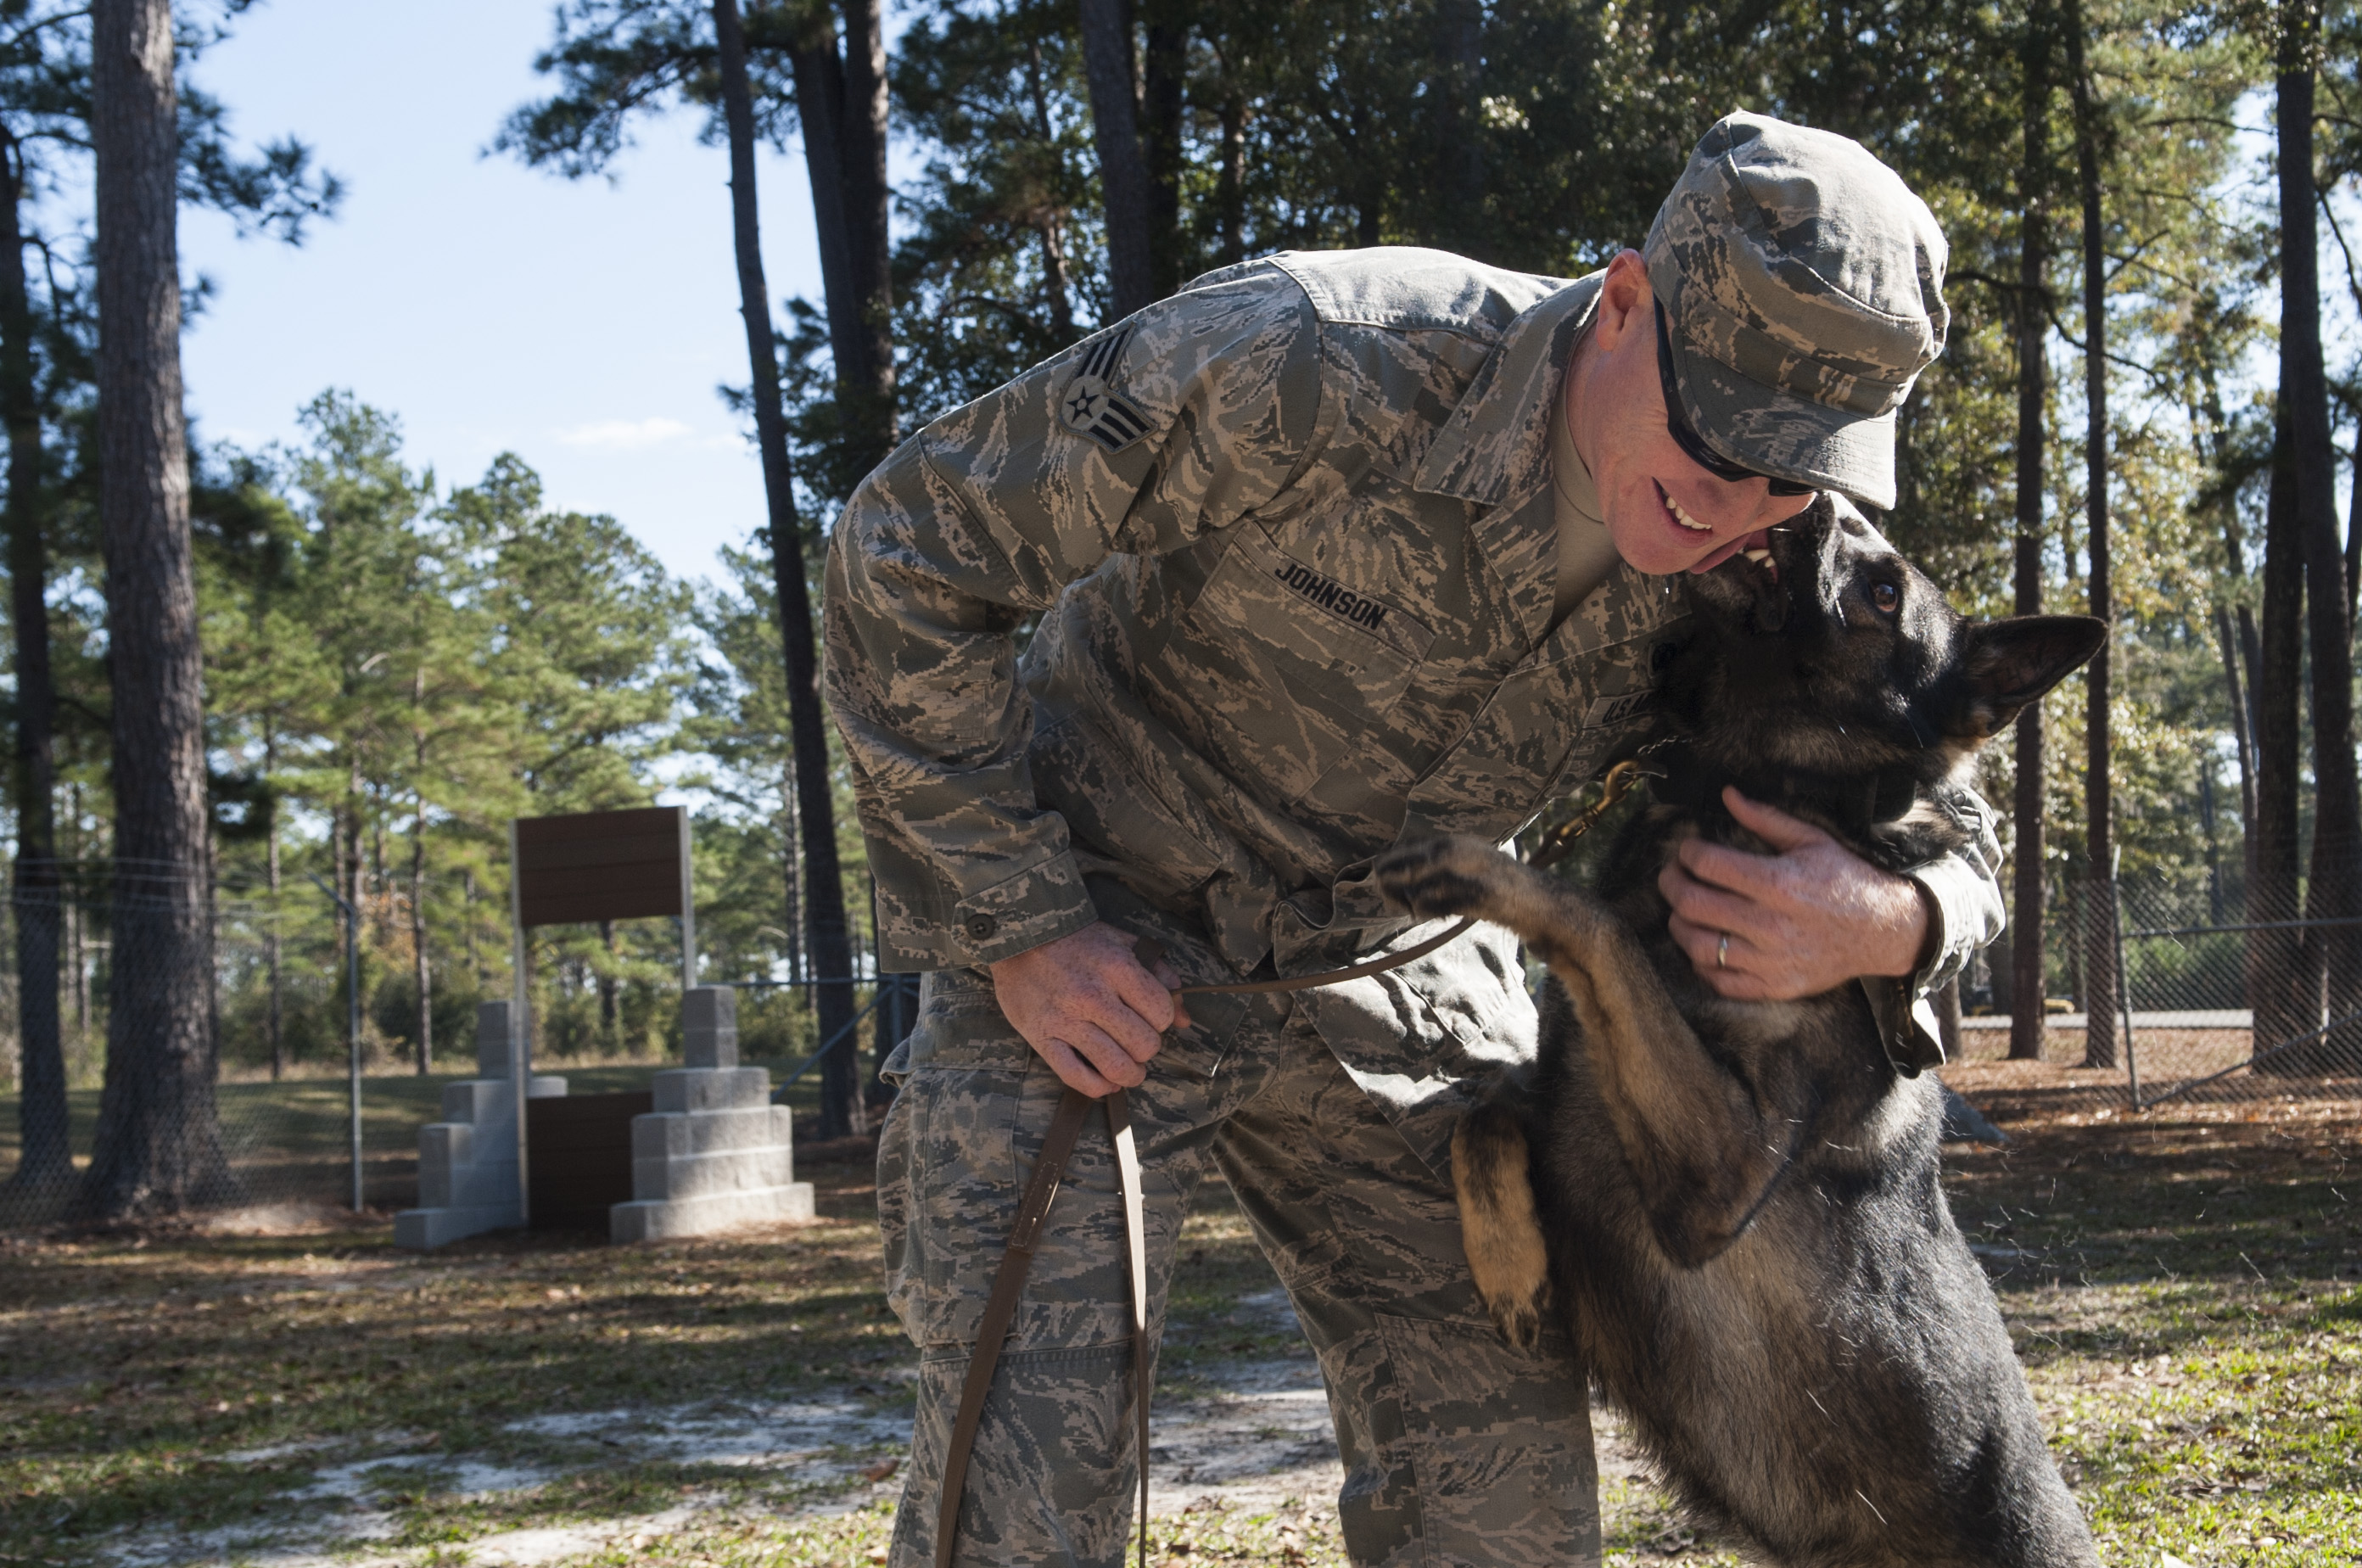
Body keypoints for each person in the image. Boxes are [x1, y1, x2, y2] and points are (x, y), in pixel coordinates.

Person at [823, 110, 2001, 1568]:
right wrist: (1019, 923)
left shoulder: (1778, 550)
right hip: (1094, 915)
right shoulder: (1321, 361)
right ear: (1627, 301)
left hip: (1397, 961)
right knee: (1030, 1476)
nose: (1733, 508)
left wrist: (1896, 920)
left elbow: (1943, 784)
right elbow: (903, 552)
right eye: (1714, 436)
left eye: (1791, 469)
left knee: (1503, 1503)